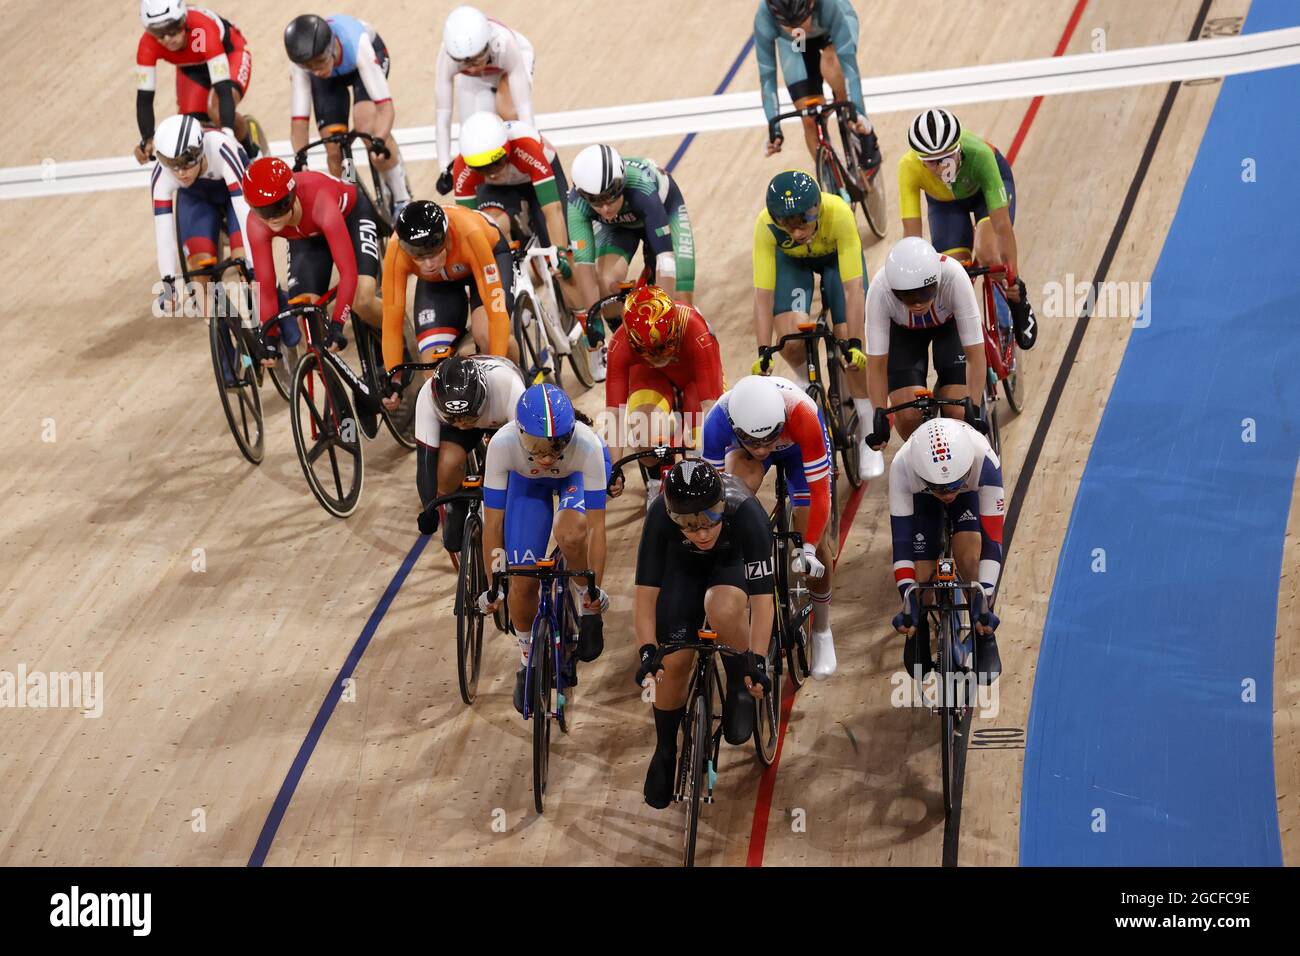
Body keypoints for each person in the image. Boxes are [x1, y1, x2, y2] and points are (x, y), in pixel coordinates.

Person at [634, 459, 774, 809]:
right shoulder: (658, 516)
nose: (702, 532)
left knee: (722, 606)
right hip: (682, 569)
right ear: (672, 516)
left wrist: (756, 661)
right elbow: (645, 597)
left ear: (722, 505)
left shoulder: (745, 511)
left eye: (710, 518)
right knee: (673, 658)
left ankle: (738, 680)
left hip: (732, 563)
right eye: (689, 524)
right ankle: (665, 748)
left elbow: (762, 601)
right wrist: (648, 653)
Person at [477, 385, 611, 714]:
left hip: (575, 477)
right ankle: (526, 658)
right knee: (521, 583)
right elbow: (493, 526)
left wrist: (594, 594)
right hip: (528, 484)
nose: (548, 457)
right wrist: (493, 585)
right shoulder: (503, 444)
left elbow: (596, 528)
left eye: (555, 446)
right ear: (519, 433)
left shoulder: (587, 445)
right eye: (536, 448)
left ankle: (580, 599)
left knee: (571, 533)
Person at [701, 375, 838, 678]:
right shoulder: (717, 421)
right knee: (734, 490)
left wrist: (811, 547)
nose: (763, 449)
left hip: (798, 447)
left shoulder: (802, 414)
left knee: (814, 540)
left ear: (781, 421)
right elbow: (712, 497)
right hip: (746, 450)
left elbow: (819, 495)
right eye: (754, 441)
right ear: (736, 428)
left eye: (769, 439)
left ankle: (823, 630)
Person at [753, 169, 883, 479]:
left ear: (816, 210)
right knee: (791, 339)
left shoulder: (837, 212)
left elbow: (854, 290)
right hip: (793, 266)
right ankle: (803, 382)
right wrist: (763, 350)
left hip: (836, 261)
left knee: (850, 348)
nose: (796, 234)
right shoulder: (766, 227)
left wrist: (854, 344)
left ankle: (868, 430)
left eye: (802, 224)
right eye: (788, 226)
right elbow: (763, 297)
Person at [241, 156, 385, 430]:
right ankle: (334, 396)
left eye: (278, 207)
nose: (272, 218)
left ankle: (396, 339)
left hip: (350, 217)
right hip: (306, 238)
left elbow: (348, 274)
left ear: (292, 196)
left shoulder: (320, 201)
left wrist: (339, 323)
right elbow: (266, 285)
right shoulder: (257, 222)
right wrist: (268, 335)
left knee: (362, 298)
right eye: (263, 211)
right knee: (306, 319)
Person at [899, 107, 1036, 350]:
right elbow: (912, 240)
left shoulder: (980, 154)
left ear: (959, 148)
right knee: (952, 270)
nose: (942, 167)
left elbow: (1003, 228)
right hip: (945, 206)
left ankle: (1009, 311)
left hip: (984, 193)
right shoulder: (908, 167)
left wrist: (1013, 278)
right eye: (932, 162)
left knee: (988, 255)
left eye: (947, 157)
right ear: (920, 159)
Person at [888, 417, 1003, 682]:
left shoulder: (985, 460)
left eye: (953, 485)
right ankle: (919, 631)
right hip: (922, 497)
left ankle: (983, 630)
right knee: (922, 574)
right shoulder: (902, 466)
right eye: (941, 488)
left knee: (971, 557)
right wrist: (908, 599)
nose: (948, 493)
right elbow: (902, 545)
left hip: (970, 493)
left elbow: (993, 540)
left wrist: (982, 597)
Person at [863, 237, 988, 448]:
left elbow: (975, 355)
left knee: (959, 417)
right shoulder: (879, 289)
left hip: (949, 327)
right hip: (904, 334)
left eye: (925, 293)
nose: (918, 303)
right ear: (894, 291)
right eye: (907, 297)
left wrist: (973, 409)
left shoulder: (954, 276)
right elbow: (876, 365)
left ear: (937, 281)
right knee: (908, 419)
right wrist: (879, 416)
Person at [604, 286, 723, 507]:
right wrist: (615, 467)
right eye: (649, 351)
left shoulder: (695, 328)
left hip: (694, 379)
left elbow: (711, 405)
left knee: (702, 444)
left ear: (676, 328)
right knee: (644, 441)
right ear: (632, 340)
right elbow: (614, 414)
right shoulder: (619, 344)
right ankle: (656, 478)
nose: (658, 356)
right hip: (649, 376)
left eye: (664, 347)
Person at [283, 13, 412, 216]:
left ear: (331, 46)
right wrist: (301, 158)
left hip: (364, 62)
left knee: (367, 126)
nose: (316, 71)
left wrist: (378, 140)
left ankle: (401, 197)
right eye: (310, 67)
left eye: (319, 62)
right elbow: (299, 123)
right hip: (332, 80)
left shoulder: (357, 43)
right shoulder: (302, 65)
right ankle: (347, 201)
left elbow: (385, 107)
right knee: (333, 147)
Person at [381, 200, 517, 379]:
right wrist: (394, 379)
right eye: (419, 257)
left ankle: (521, 386)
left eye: (433, 252)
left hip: (487, 256)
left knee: (487, 336)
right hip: (439, 281)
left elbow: (497, 315)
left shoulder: (470, 234)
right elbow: (392, 321)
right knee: (432, 370)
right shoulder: (396, 249)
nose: (428, 264)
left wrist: (500, 370)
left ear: (446, 238)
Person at [414, 354, 526, 556]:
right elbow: (425, 461)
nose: (462, 423)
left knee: (507, 482)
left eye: (468, 416)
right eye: (453, 417)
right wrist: (428, 507)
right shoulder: (427, 396)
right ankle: (456, 505)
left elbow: (521, 456)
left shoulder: (509, 387)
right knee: (447, 465)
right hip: (479, 415)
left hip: (501, 420)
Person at [754, 0, 880, 172]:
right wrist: (774, 129)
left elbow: (849, 69)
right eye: (788, 25)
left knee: (832, 62)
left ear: (812, 5)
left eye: (799, 21)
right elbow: (767, 78)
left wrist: (857, 112)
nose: (795, 29)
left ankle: (856, 128)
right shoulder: (764, 16)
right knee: (808, 118)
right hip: (796, 46)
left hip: (832, 30)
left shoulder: (828, 5)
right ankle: (830, 180)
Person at [134, 0, 266, 165]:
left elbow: (223, 89)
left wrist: (228, 134)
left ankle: (253, 153)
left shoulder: (202, 28)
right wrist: (147, 138)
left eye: (172, 29)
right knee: (191, 129)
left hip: (229, 54)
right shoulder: (147, 44)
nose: (167, 38)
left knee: (217, 110)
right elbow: (144, 99)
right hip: (191, 69)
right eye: (158, 32)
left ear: (183, 19)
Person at [148, 115, 252, 318]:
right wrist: (167, 283)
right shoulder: (161, 174)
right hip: (197, 199)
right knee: (199, 270)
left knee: (246, 264)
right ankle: (222, 338)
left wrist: (253, 264)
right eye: (171, 164)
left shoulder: (222, 148)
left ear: (200, 151)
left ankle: (272, 329)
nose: (180, 173)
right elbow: (164, 232)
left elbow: (243, 209)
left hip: (237, 197)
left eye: (186, 163)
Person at [434, 6, 536, 196]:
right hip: (480, 80)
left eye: (476, 60)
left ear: (487, 45)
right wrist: (444, 167)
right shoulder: (447, 59)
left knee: (508, 112)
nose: (471, 68)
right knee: (473, 133)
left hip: (511, 64)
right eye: (465, 62)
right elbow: (443, 116)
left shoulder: (505, 45)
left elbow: (524, 107)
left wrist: (532, 147)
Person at [450, 111, 570, 255]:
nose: (492, 173)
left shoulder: (526, 146)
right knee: (490, 225)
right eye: (482, 169)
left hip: (536, 176)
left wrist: (560, 254)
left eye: (496, 163)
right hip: (497, 189)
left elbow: (553, 210)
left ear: (507, 148)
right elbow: (468, 227)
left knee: (561, 246)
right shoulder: (462, 166)